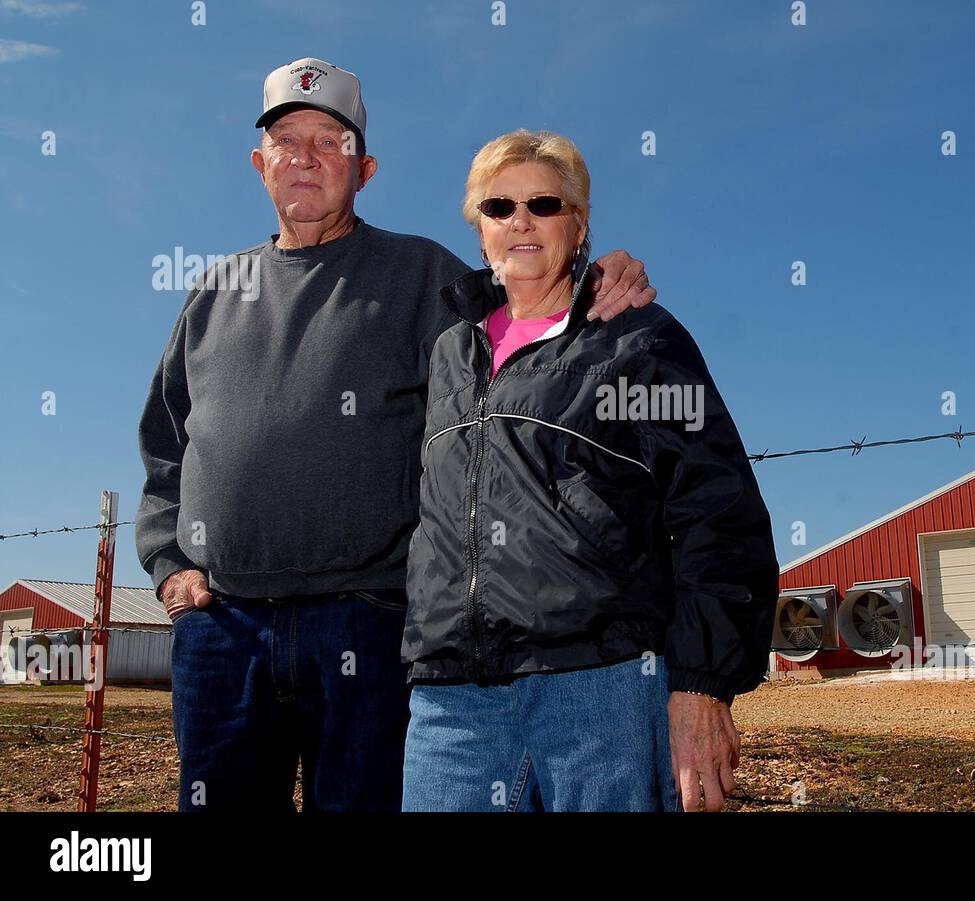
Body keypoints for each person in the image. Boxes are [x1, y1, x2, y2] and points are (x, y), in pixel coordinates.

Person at [135, 58, 656, 812]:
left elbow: (531, 296)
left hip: (370, 621)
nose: (305, 156)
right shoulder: (214, 293)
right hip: (224, 626)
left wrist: (599, 274)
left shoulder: (424, 275)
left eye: (330, 141)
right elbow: (165, 439)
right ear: (260, 164)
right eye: (287, 138)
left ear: (365, 168)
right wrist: (167, 562)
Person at [401, 129, 778, 812]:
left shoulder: (637, 337)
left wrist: (702, 681)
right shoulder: (448, 354)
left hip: (601, 687)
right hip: (451, 697)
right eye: (499, 206)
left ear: (578, 226)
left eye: (545, 204)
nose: (521, 220)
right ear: (477, 226)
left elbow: (718, 508)